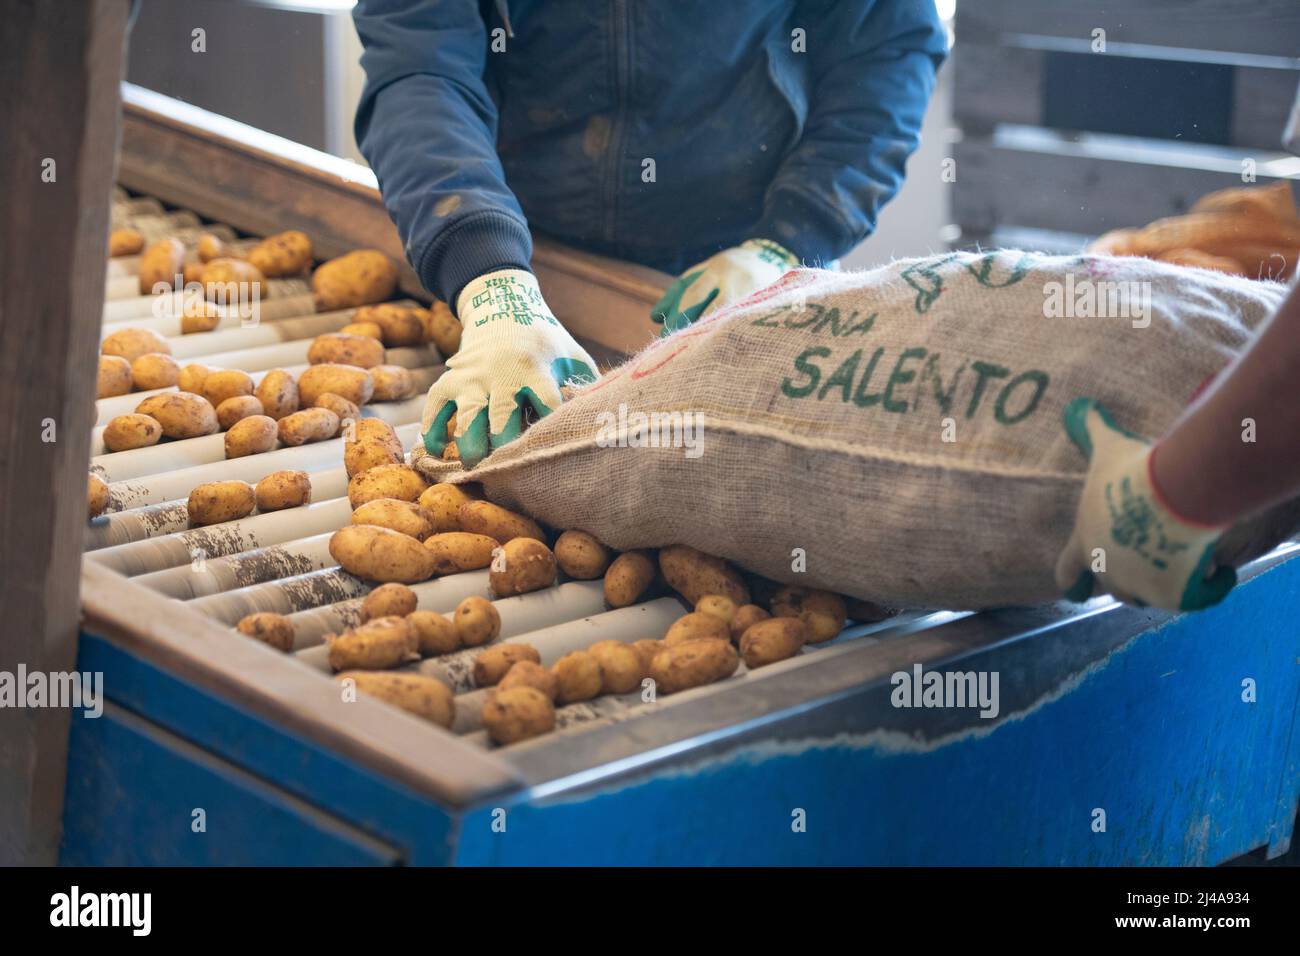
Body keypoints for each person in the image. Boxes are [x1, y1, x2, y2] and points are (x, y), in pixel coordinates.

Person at [352, 0, 948, 466]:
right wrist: (485, 271)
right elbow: (419, 68)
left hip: (740, 265)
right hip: (524, 247)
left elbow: (887, 48)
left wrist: (793, 236)